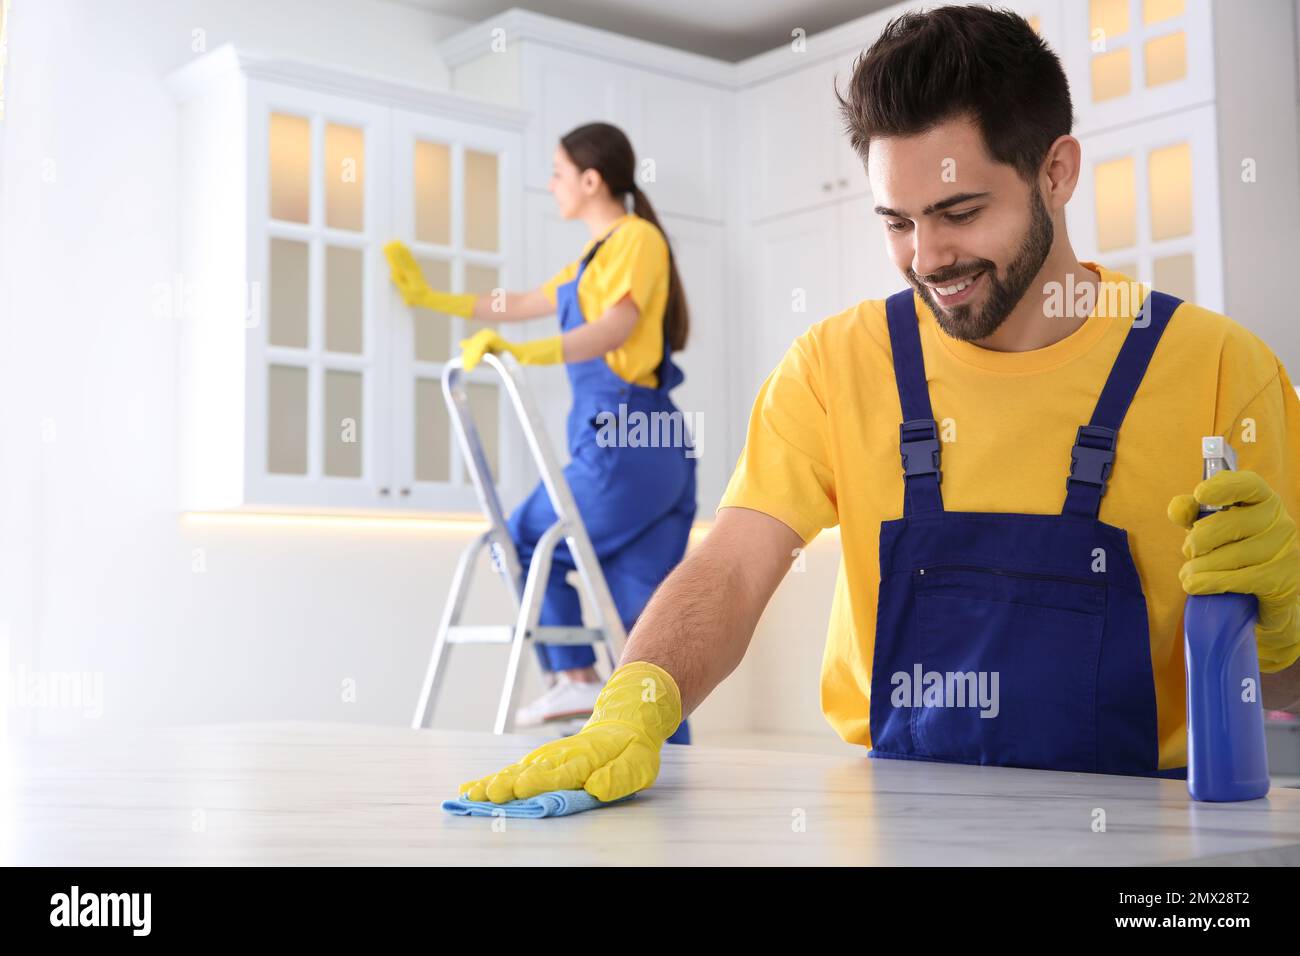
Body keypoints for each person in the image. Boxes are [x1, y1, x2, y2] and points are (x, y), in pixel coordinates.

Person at [457, 5, 1300, 804]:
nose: (926, 257)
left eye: (958, 212)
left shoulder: (1221, 373)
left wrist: (1288, 632)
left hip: (1149, 842)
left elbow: (1286, 683)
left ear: (1057, 171)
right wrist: (640, 698)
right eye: (895, 221)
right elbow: (732, 566)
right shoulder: (839, 365)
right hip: (898, 820)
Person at [384, 123, 696, 743]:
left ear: (590, 179)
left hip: (626, 437)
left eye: (557, 171)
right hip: (648, 448)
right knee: (642, 631)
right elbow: (519, 303)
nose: (551, 184)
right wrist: (429, 298)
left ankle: (573, 676)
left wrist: (522, 357)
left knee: (520, 539)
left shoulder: (636, 240)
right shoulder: (592, 259)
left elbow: (615, 328)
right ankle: (668, 770)